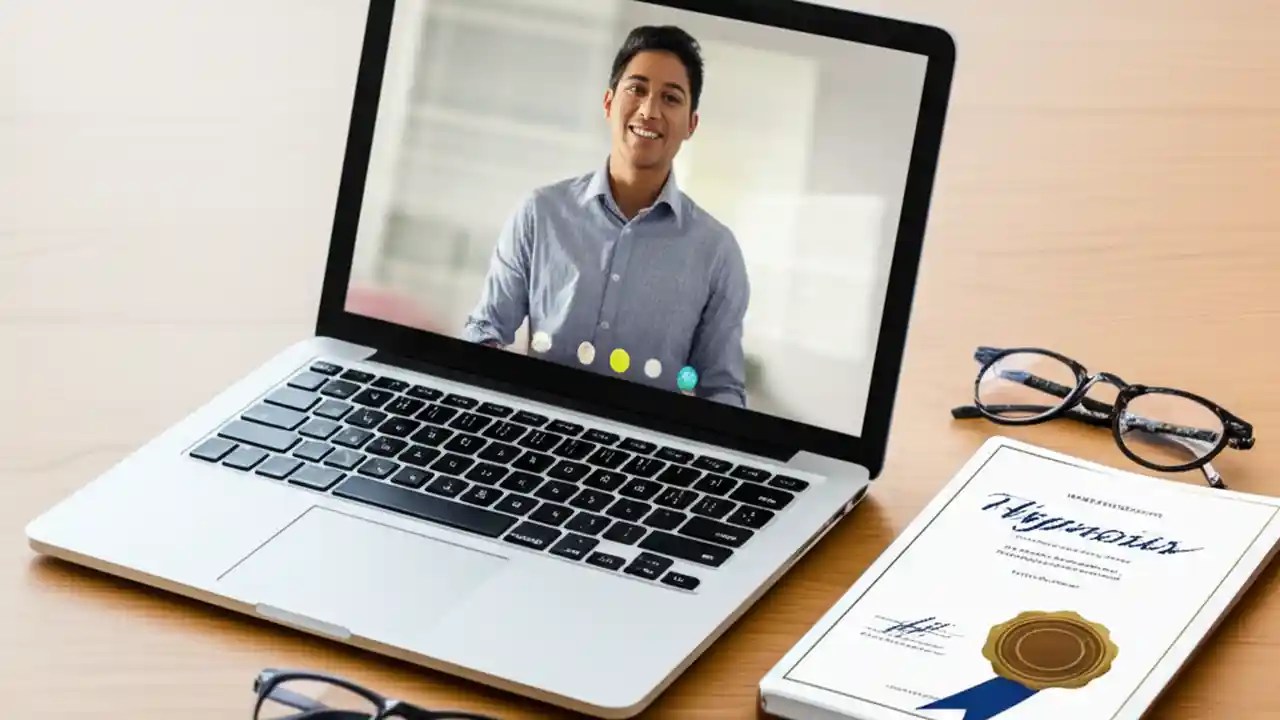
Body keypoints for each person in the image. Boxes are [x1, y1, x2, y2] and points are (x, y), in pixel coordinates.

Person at [462, 25, 751, 408]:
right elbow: (485, 330)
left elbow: (721, 390)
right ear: (608, 102)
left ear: (691, 125)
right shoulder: (540, 213)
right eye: (637, 89)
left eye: (670, 97)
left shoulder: (717, 252)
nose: (650, 110)